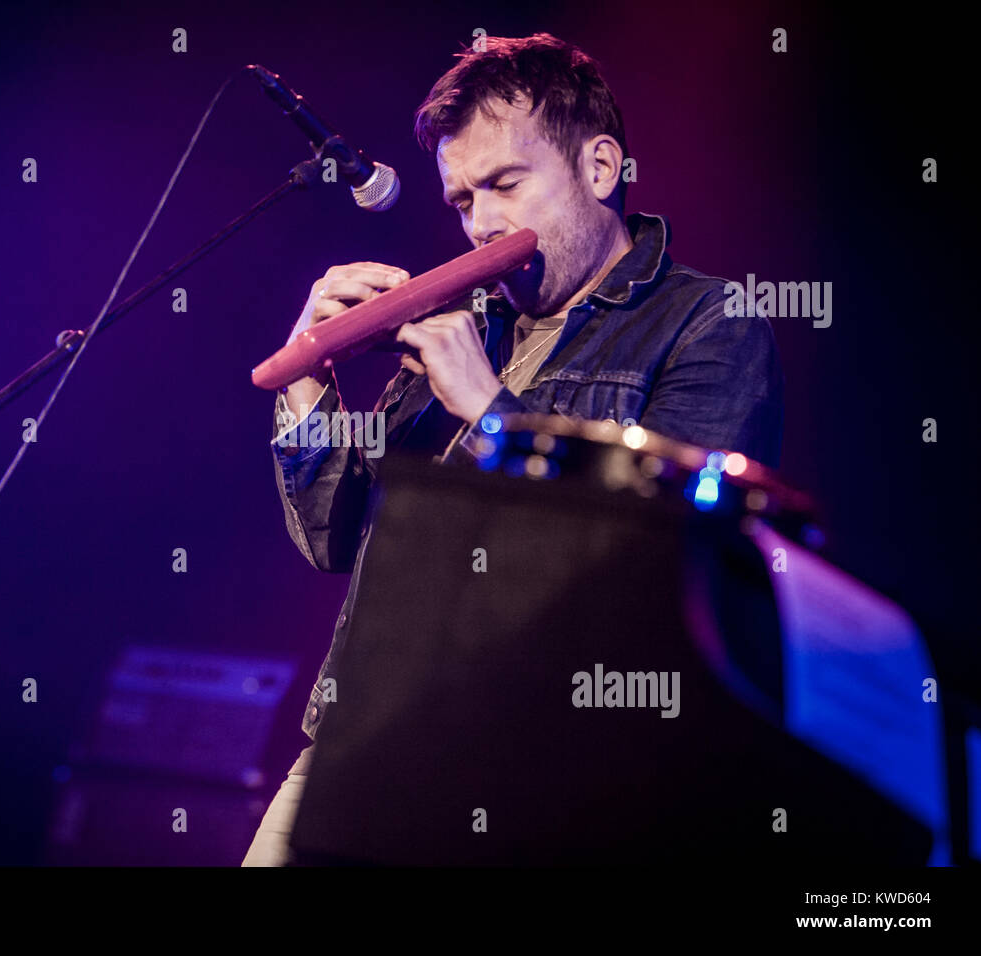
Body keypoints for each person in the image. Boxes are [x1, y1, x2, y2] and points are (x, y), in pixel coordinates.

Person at [241, 32, 783, 866]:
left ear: (600, 171)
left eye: (505, 184)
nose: (481, 223)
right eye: (462, 200)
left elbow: (659, 572)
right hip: (358, 743)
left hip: (546, 776)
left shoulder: (710, 324)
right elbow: (331, 538)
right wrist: (307, 375)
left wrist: (495, 417)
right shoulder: (470, 323)